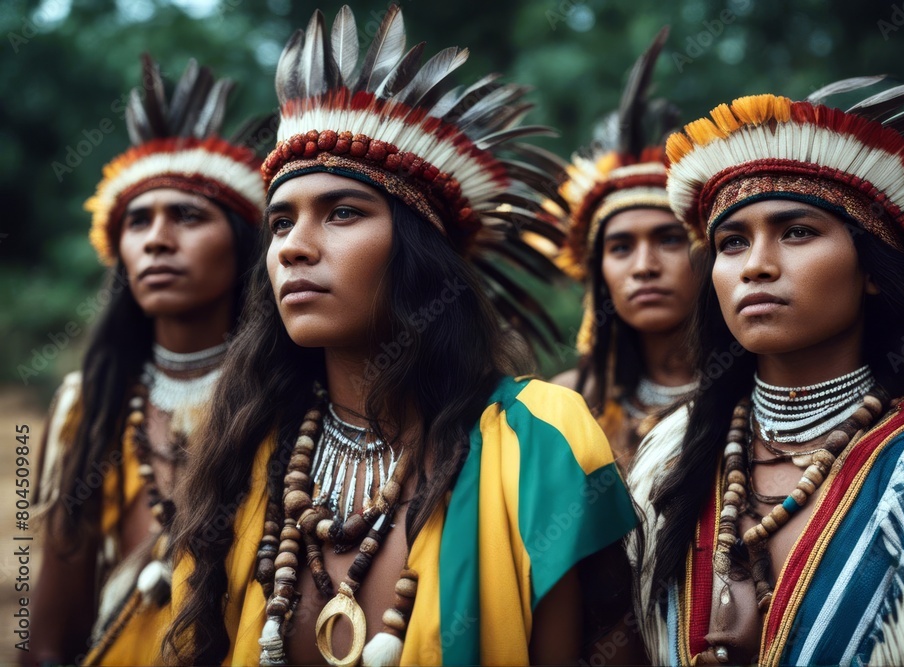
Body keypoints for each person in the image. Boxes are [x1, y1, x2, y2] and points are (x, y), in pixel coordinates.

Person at [163, 6, 640, 666]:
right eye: (279, 223)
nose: (295, 247)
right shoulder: (248, 456)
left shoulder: (538, 438)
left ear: (421, 254)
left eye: (342, 212)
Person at [639, 79, 904, 665]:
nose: (756, 265)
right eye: (732, 242)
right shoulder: (672, 456)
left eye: (797, 232)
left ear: (873, 270)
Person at [28, 56, 269, 665]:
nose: (158, 238)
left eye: (188, 215)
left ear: (243, 247)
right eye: (138, 221)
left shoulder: (288, 396)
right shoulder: (92, 406)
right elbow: (51, 640)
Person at [550, 28, 701, 475]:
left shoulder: (763, 398)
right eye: (620, 248)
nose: (644, 267)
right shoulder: (568, 405)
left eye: (669, 239)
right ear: (598, 274)